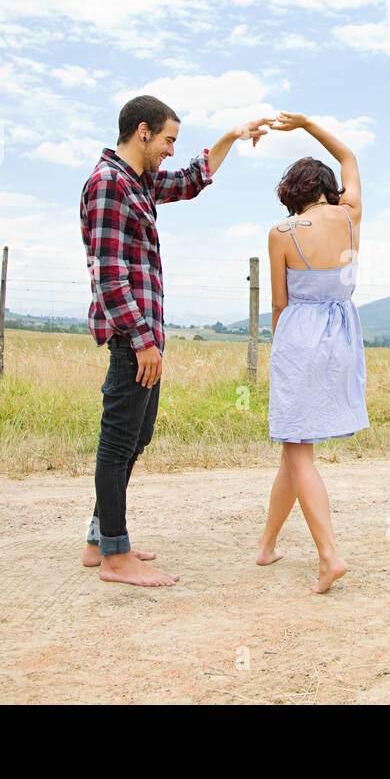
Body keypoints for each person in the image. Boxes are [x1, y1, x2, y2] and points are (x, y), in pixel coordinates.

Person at [80, 94, 268, 587]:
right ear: (142, 131)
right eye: (167, 140)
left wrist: (230, 137)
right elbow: (110, 275)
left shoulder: (136, 182)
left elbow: (190, 181)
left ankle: (101, 539)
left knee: (135, 437)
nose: (170, 150)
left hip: (146, 337)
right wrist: (143, 341)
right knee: (118, 441)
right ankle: (115, 558)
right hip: (133, 337)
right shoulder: (107, 184)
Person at [256, 112, 370, 593]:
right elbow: (348, 154)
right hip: (343, 333)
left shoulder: (281, 234)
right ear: (327, 187)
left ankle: (329, 555)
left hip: (300, 334)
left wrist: (279, 351)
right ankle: (266, 545)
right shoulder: (349, 215)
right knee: (295, 447)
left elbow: (280, 303)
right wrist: (305, 125)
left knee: (297, 448)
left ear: (292, 193)